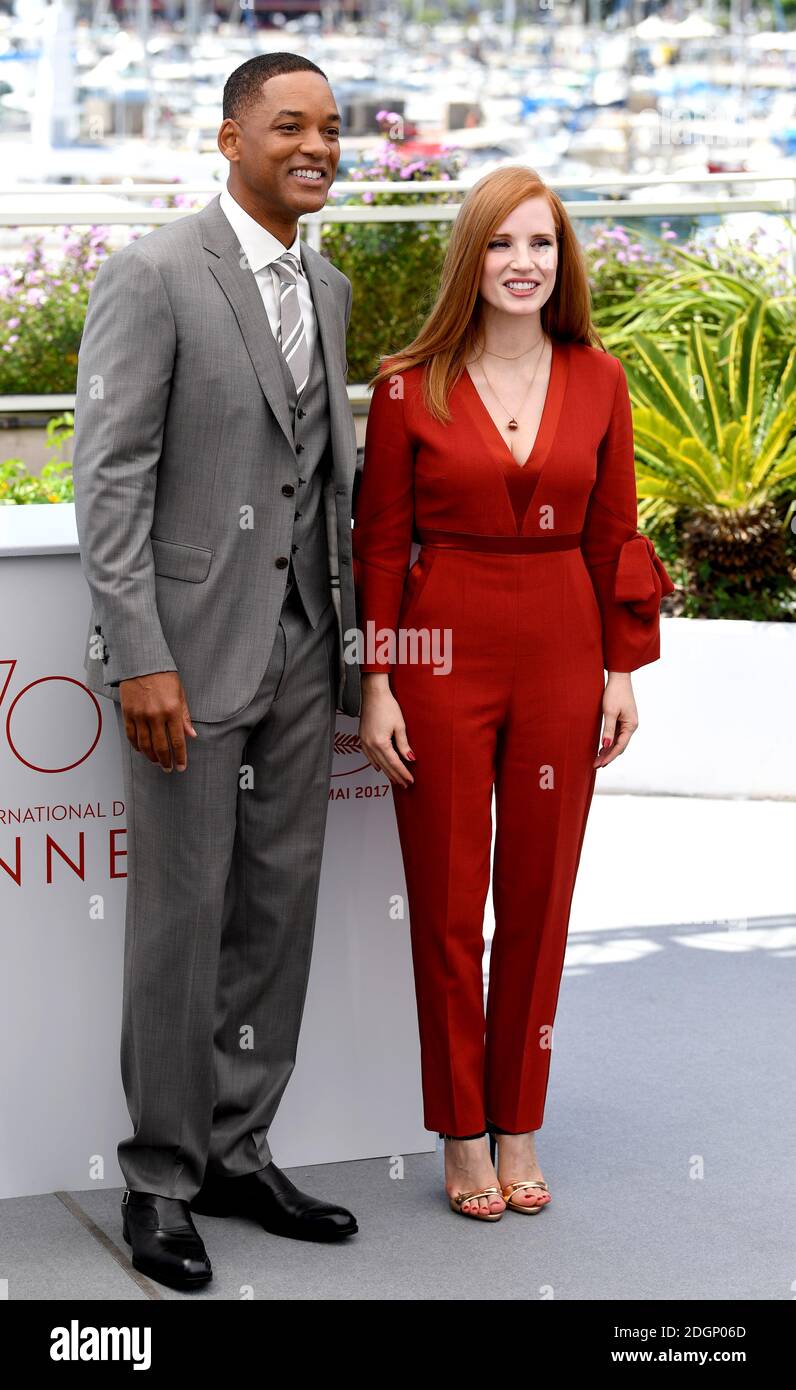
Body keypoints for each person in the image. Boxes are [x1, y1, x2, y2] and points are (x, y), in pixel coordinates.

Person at [72, 53, 362, 1290]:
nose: (317, 145)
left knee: (275, 912)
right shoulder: (153, 273)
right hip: (186, 655)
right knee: (181, 920)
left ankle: (240, 1148)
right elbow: (110, 475)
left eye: (333, 128)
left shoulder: (330, 286)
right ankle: (159, 1178)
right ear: (231, 136)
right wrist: (140, 653)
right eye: (290, 124)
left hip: (304, 644)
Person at [353, 166, 674, 1222]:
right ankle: (457, 1129)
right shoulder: (410, 384)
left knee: (540, 899)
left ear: (561, 260)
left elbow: (614, 535)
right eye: (500, 244)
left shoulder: (601, 377)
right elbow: (381, 542)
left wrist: (621, 668)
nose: (522, 264)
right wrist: (380, 679)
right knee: (447, 909)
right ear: (470, 260)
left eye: (539, 244)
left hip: (564, 650)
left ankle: (518, 1120)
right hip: (440, 650)